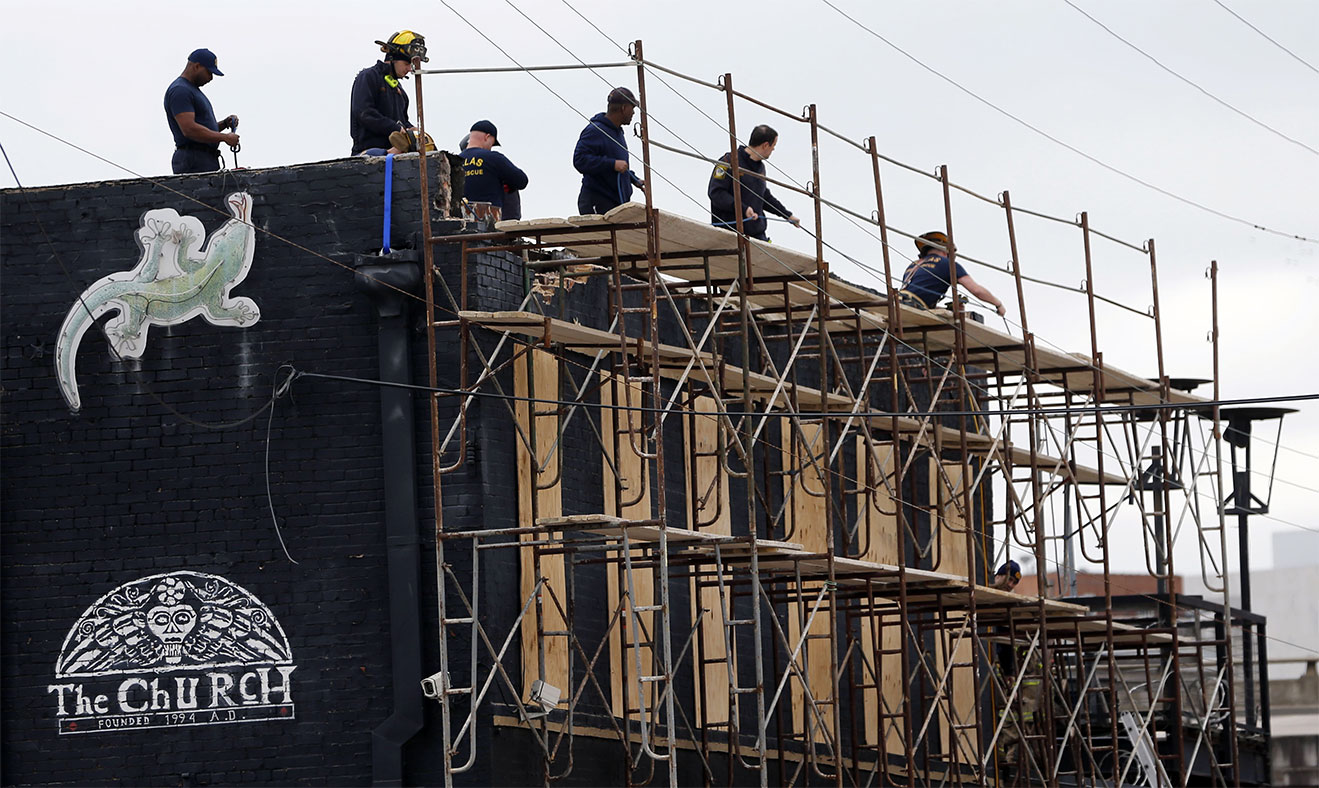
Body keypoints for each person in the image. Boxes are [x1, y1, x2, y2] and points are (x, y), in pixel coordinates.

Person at [707, 124, 800, 241]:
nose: (773, 150)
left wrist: (787, 215)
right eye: (774, 146)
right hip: (731, 234)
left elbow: (764, 196)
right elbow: (716, 193)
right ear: (766, 145)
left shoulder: (761, 168)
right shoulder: (728, 161)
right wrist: (743, 209)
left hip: (757, 236)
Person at [350, 31, 429, 156]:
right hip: (367, 155)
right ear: (392, 58)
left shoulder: (400, 92)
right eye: (407, 63)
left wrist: (412, 130)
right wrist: (396, 129)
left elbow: (401, 122)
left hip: (395, 157)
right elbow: (364, 113)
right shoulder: (369, 77)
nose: (410, 69)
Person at [164, 49, 238, 175]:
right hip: (193, 159)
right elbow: (189, 129)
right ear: (197, 66)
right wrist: (224, 138)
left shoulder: (191, 90)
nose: (211, 78)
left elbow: (202, 129)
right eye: (209, 72)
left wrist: (224, 124)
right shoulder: (180, 90)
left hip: (204, 158)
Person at [898, 231, 1007, 316]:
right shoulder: (947, 264)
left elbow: (920, 294)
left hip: (900, 301)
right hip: (914, 306)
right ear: (946, 251)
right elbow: (977, 290)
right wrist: (998, 304)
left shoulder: (913, 266)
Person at [573, 87, 645, 215]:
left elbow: (617, 166)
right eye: (632, 108)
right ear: (623, 108)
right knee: (602, 235)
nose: (633, 113)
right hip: (597, 201)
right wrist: (612, 164)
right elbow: (579, 160)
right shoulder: (595, 130)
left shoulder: (617, 133)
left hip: (615, 203)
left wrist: (633, 179)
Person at [459, 120, 528, 219]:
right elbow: (522, 180)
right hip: (490, 223)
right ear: (487, 137)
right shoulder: (494, 158)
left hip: (463, 223)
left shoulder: (453, 162)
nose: (491, 147)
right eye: (492, 143)